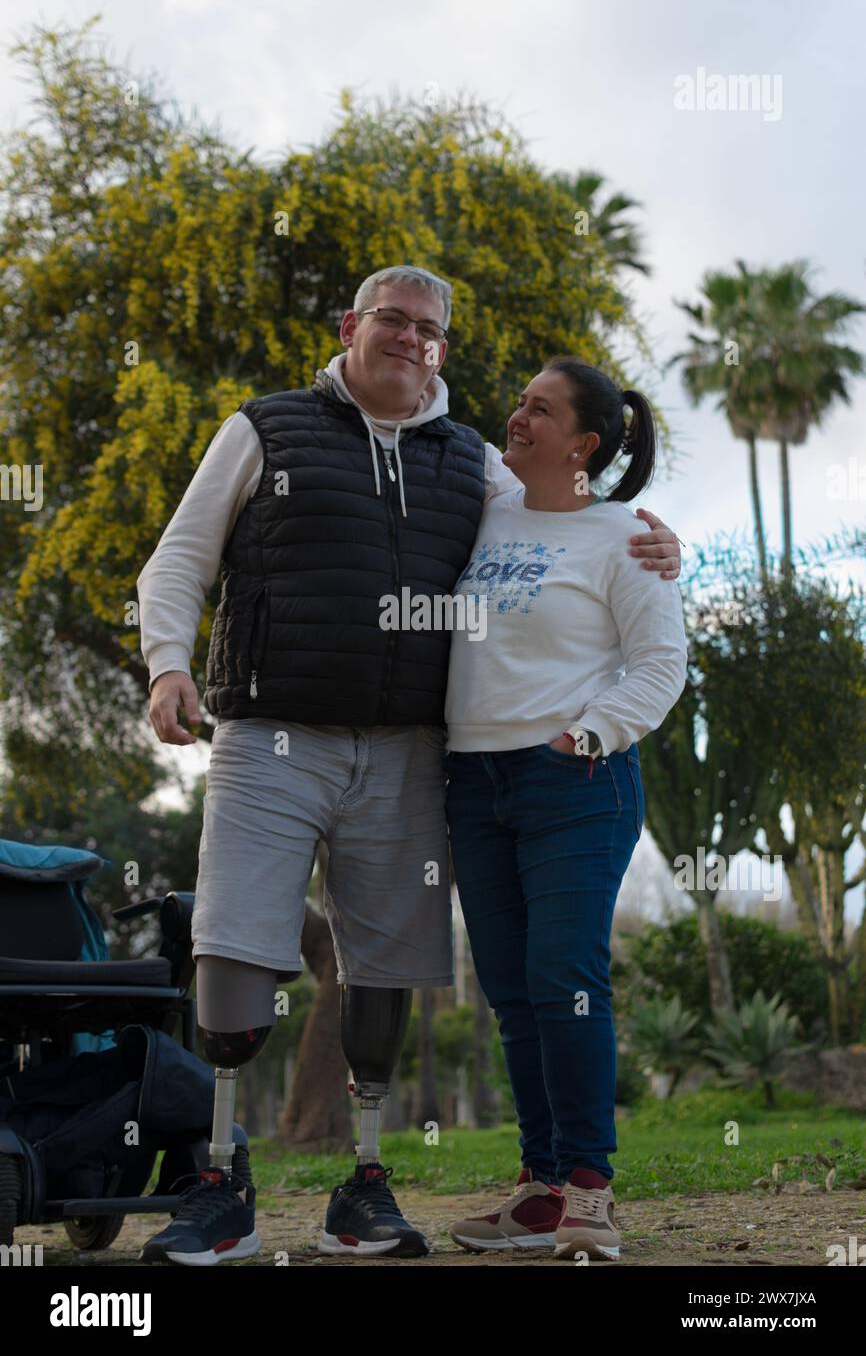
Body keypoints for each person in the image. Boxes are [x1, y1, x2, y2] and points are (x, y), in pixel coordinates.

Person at [136, 266, 683, 1264]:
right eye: (391, 319)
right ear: (350, 325)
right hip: (273, 735)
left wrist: (653, 539)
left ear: (441, 348)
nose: (409, 338)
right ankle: (220, 1181)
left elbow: (573, 521)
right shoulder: (261, 428)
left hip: (412, 752)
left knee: (387, 971)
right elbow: (180, 557)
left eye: (429, 329)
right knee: (233, 957)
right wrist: (168, 663)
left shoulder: (470, 460)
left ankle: (370, 1187)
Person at [443, 357, 688, 1261]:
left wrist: (588, 735)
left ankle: (590, 1189)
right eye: (518, 403)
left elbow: (662, 665)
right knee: (512, 992)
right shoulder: (483, 500)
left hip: (577, 781)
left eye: (539, 411)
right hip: (472, 781)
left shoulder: (626, 536)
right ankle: (541, 1189)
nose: (517, 418)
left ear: (583, 443)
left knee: (567, 979)